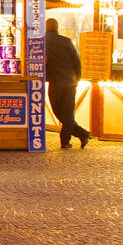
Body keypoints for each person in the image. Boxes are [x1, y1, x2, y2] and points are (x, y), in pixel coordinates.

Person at [45, 18, 90, 149]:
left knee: (58, 112)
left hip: (55, 82)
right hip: (70, 82)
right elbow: (77, 61)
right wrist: (77, 78)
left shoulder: (41, 42)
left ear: (46, 28)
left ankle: (67, 140)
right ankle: (81, 134)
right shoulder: (66, 41)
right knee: (67, 113)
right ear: (57, 28)